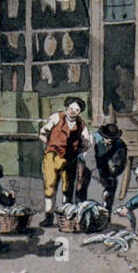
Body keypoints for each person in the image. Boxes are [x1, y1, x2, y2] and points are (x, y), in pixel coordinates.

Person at [38, 95, 91, 227]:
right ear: (66, 108)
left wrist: (79, 150)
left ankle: (65, 215)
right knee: (50, 186)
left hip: (70, 159)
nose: (73, 111)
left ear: (80, 112)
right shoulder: (56, 117)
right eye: (71, 108)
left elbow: (87, 141)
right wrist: (50, 144)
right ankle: (49, 216)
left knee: (68, 188)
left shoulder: (81, 124)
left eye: (77, 109)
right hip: (53, 156)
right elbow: (42, 133)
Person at [92, 122, 128, 212]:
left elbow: (120, 162)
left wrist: (112, 173)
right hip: (87, 159)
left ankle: (107, 210)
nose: (110, 141)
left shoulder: (119, 144)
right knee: (81, 182)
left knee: (112, 181)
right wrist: (95, 171)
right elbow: (87, 158)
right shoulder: (93, 140)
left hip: (103, 160)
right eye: (107, 138)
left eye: (113, 139)